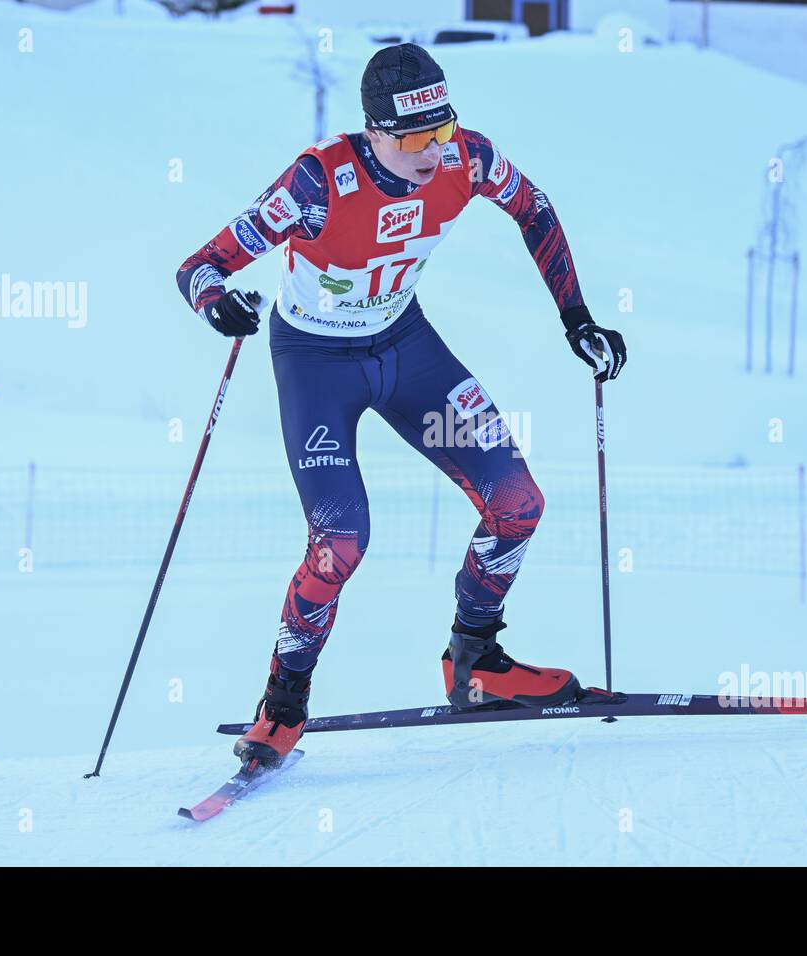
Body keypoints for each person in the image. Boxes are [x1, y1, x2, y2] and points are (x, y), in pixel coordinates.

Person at [175, 43, 626, 768]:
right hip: (317, 363)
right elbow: (200, 266)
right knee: (341, 541)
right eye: (414, 138)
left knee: (519, 503)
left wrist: (577, 317)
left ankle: (475, 660)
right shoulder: (319, 181)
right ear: (374, 131)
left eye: (441, 131)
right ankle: (284, 700)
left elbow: (535, 209)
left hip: (406, 353)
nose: (430, 152)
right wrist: (215, 301)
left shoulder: (466, 160)